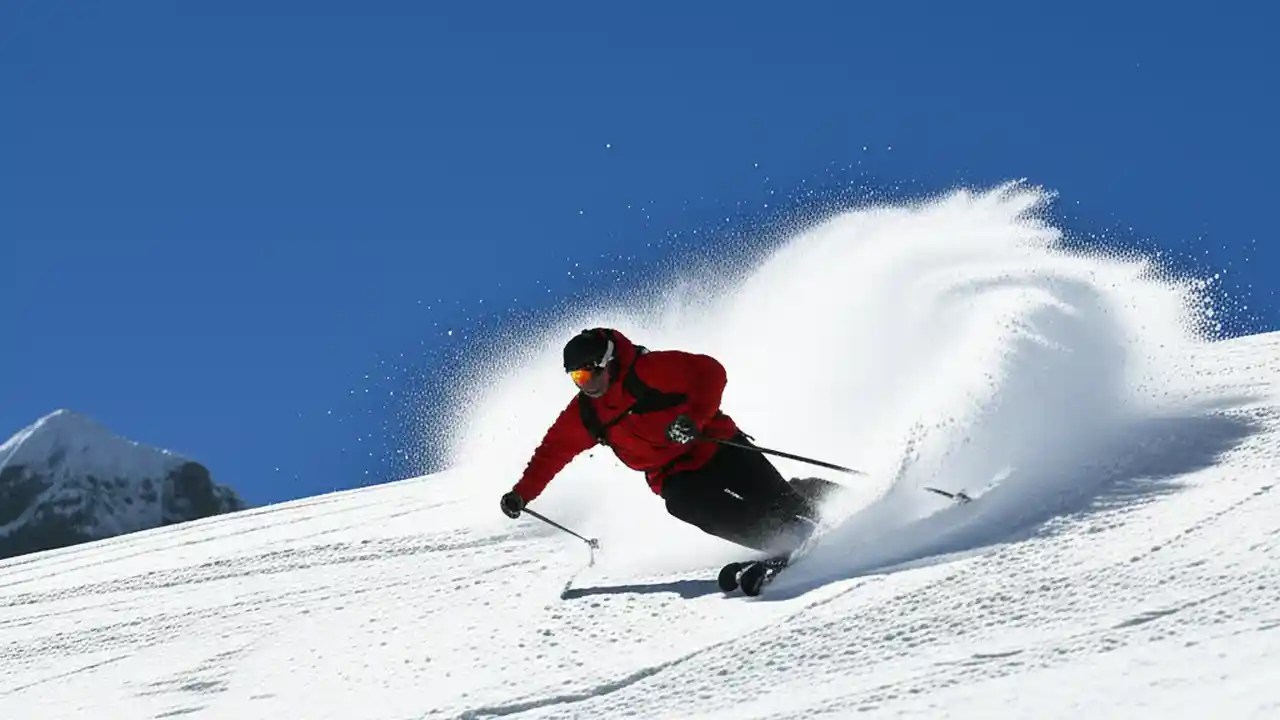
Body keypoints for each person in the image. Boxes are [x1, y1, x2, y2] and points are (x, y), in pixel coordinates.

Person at [500, 327, 818, 557]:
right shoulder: (586, 413)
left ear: (607, 362)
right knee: (685, 503)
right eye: (577, 379)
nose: (588, 385)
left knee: (781, 501)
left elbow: (710, 372)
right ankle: (779, 540)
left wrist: (694, 418)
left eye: (590, 375)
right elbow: (552, 452)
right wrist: (521, 494)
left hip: (715, 445)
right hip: (673, 475)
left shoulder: (648, 371)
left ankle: (815, 502)